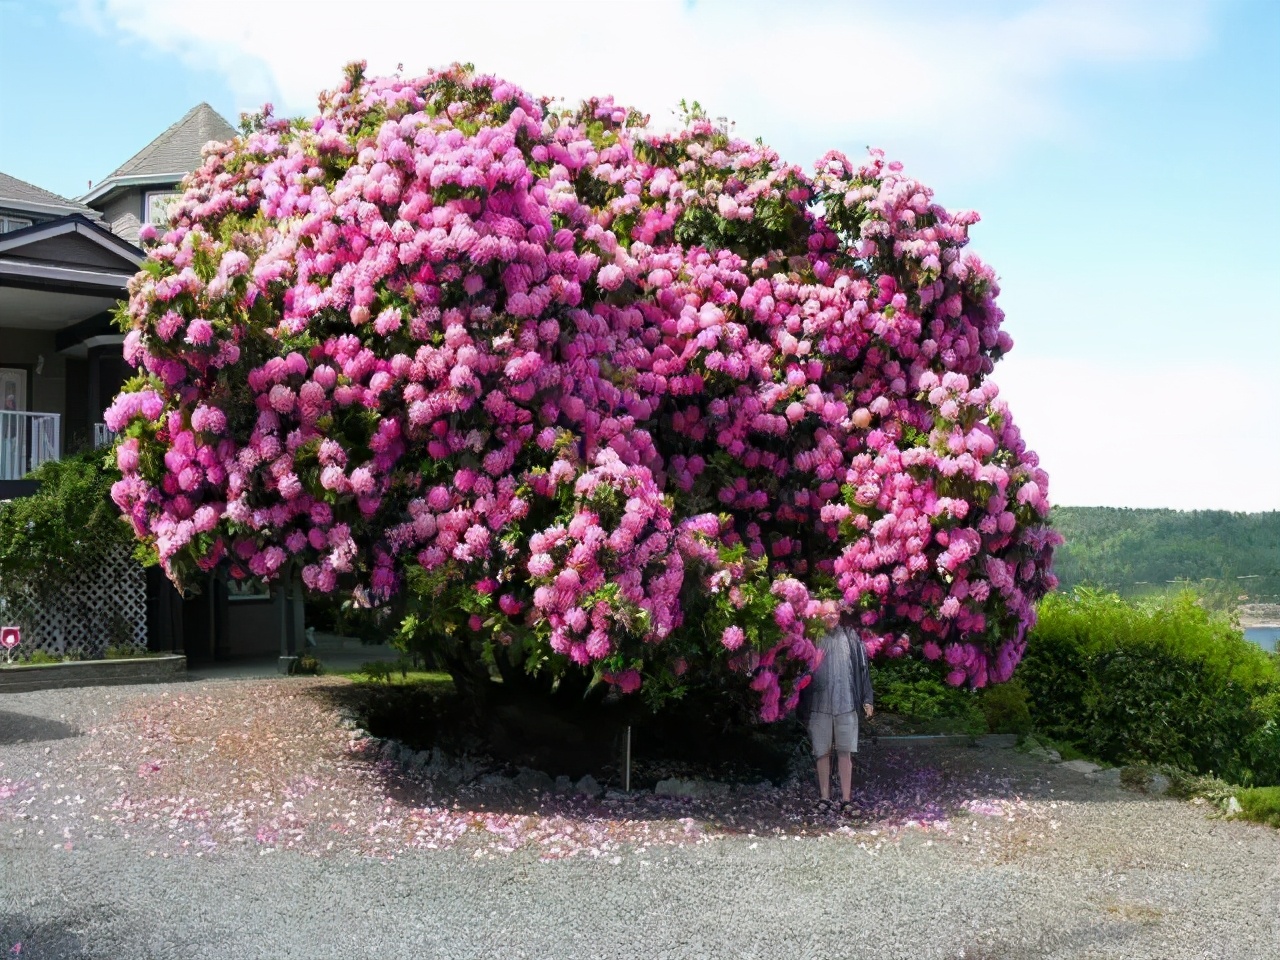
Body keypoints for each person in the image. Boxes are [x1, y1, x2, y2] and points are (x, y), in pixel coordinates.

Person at [798, 609, 874, 814]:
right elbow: (802, 672)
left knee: (845, 753)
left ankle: (846, 800)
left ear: (839, 615)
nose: (830, 617)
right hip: (819, 706)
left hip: (846, 704)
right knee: (822, 753)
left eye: (834, 612)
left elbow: (863, 669)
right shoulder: (813, 638)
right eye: (826, 613)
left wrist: (867, 698)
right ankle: (824, 798)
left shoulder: (850, 637)